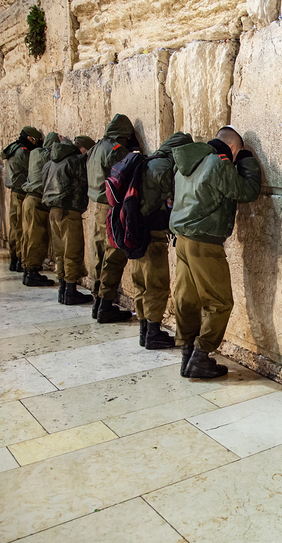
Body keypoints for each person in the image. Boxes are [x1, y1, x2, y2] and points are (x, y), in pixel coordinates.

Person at [170, 126, 261, 378]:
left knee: (186, 299)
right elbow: (248, 191)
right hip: (204, 243)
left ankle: (187, 354)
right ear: (233, 148)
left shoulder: (187, 163)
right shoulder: (218, 164)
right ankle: (201, 356)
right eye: (237, 153)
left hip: (183, 239)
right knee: (219, 303)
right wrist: (247, 162)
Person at [132, 131, 193, 349]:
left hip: (137, 230)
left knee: (140, 282)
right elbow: (175, 195)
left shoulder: (148, 161)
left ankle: (144, 329)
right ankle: (153, 332)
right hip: (153, 234)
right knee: (156, 285)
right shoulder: (164, 167)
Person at [86, 114, 136, 322]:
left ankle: (98, 301)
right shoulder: (115, 150)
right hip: (112, 207)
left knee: (98, 253)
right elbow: (126, 171)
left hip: (98, 206)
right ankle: (105, 304)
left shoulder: (95, 148)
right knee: (113, 255)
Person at [44, 136, 95, 305]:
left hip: (53, 209)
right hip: (69, 210)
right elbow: (82, 185)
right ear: (83, 149)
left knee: (60, 252)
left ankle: (63, 290)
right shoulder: (76, 161)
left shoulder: (53, 160)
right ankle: (71, 291)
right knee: (72, 251)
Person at [19, 132, 59, 287]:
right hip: (36, 200)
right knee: (37, 238)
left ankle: (28, 270)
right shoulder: (47, 157)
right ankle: (32, 272)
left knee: (28, 236)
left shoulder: (34, 153)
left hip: (29, 199)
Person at [2, 126, 43, 272]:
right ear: (30, 138)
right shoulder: (23, 151)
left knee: (15, 225)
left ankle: (14, 258)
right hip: (21, 192)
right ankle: (20, 258)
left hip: (15, 191)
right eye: (36, 140)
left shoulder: (13, 148)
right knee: (21, 227)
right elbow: (29, 169)